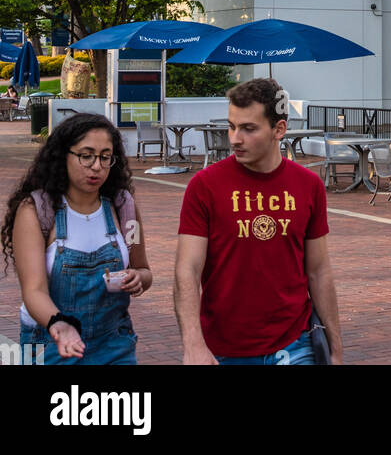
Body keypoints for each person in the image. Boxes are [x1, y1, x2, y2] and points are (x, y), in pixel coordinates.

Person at [174, 77, 343, 366]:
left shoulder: (308, 186)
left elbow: (318, 271)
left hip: (295, 345)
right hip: (223, 350)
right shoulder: (204, 186)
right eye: (232, 126)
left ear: (279, 129)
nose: (235, 138)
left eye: (248, 128)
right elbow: (187, 270)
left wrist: (335, 349)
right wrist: (193, 345)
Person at [1, 113, 152, 364]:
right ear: (63, 156)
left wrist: (138, 279)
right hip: (48, 342)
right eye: (86, 155)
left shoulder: (123, 206)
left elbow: (143, 270)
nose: (96, 166)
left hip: (114, 341)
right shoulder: (36, 210)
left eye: (105, 157)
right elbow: (33, 290)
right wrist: (59, 323)